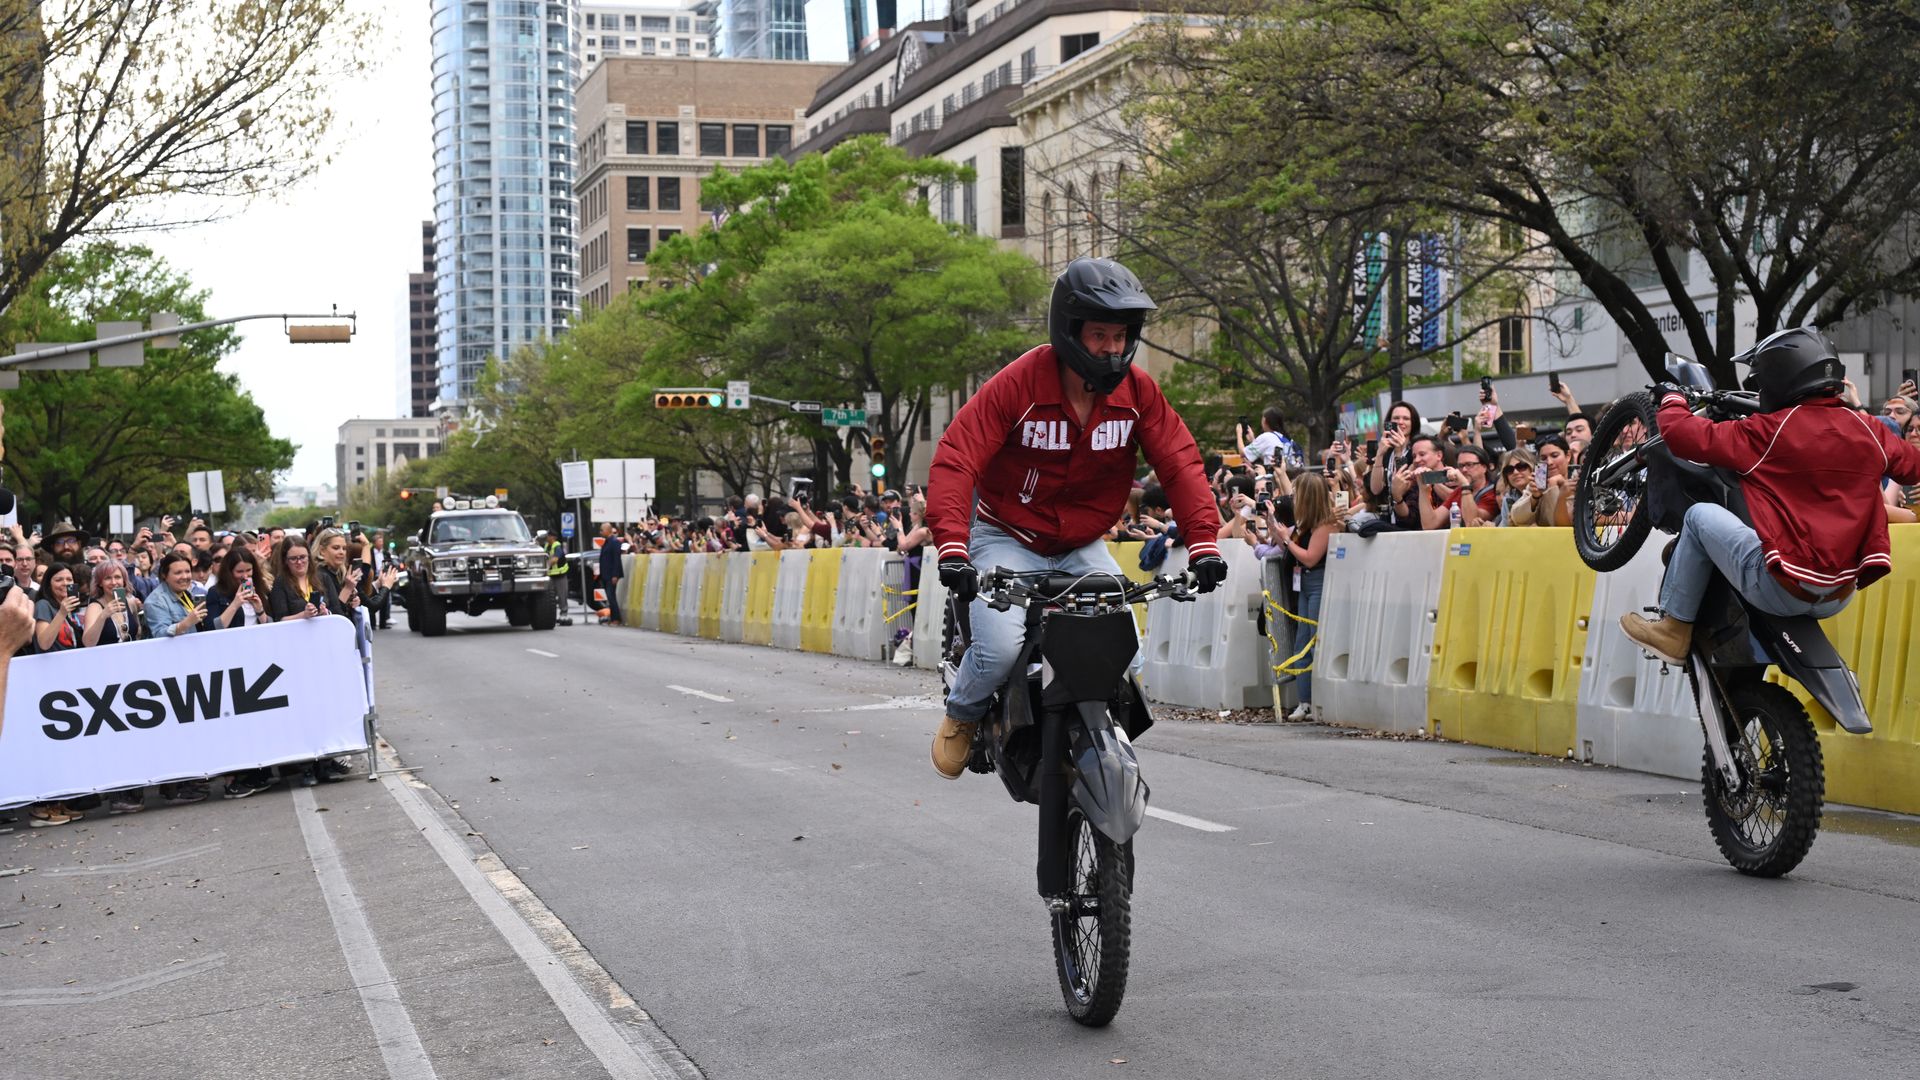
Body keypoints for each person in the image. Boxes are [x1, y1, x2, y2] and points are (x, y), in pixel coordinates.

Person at [925, 257, 1228, 779]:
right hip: (1006, 536)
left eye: (1120, 336)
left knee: (1128, 656)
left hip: (1082, 543)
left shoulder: (1139, 393)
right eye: (1099, 335)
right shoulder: (1017, 385)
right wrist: (953, 546)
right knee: (998, 650)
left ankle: (1093, 741)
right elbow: (957, 457)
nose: (1112, 348)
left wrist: (1203, 544)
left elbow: (1180, 463)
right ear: (1069, 331)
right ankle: (963, 713)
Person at [1621, 328, 1920, 662]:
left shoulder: (1769, 431)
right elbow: (1914, 467)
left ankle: (1673, 630)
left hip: (1782, 588)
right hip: (1840, 593)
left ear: (1780, 375)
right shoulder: (1870, 428)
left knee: (1699, 516)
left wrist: (1672, 398)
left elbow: (1681, 434)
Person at [1267, 472, 1342, 720]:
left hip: (1317, 580)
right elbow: (1290, 548)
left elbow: (1310, 557)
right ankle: (1305, 701)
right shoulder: (1305, 522)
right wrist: (1274, 527)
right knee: (1302, 642)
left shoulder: (1326, 523)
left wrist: (1287, 540)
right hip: (1305, 583)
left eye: (1297, 493)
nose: (1293, 498)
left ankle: (1317, 701)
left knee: (1314, 640)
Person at [141, 552, 214, 805]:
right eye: (178, 573)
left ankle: (190, 779)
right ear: (164, 575)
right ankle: (173, 788)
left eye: (187, 571)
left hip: (189, 668)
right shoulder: (155, 601)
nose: (184, 577)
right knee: (173, 731)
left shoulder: (190, 593)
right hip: (167, 673)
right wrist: (185, 623)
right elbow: (160, 634)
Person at [1237, 406, 1303, 470]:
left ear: (1264, 421)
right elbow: (1268, 455)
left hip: (1275, 475)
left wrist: (1239, 434)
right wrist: (1253, 440)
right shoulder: (1282, 437)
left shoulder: (1266, 436)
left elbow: (1243, 453)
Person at [597, 522, 625, 625]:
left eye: (602, 530)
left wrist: (615, 575)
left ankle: (616, 619)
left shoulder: (614, 542)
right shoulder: (607, 542)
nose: (600, 532)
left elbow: (616, 560)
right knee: (609, 598)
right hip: (605, 575)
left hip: (611, 575)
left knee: (611, 597)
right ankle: (612, 618)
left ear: (608, 530)